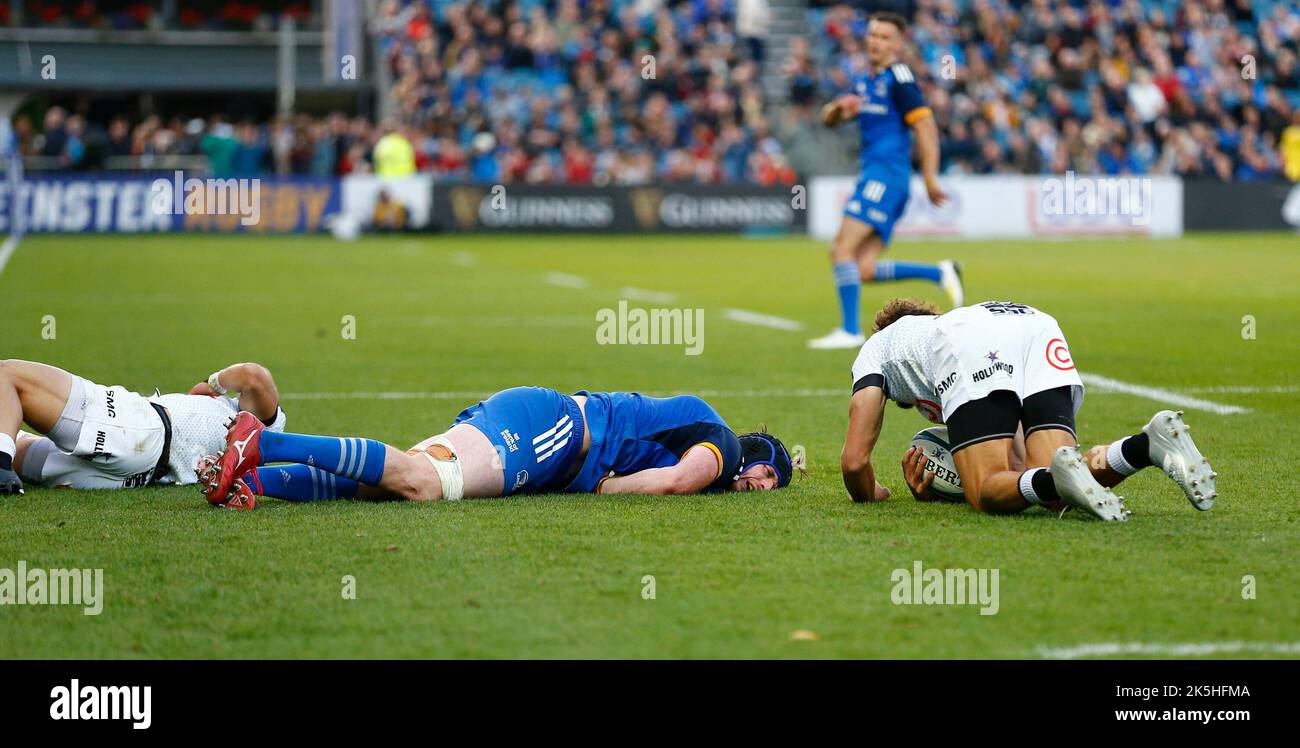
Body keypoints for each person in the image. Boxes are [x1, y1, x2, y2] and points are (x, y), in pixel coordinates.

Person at [839, 299, 1217, 521]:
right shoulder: (934, 342)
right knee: (1052, 489)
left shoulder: (878, 348)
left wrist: (874, 493)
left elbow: (855, 462)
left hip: (973, 342)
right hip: (1035, 323)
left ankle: (1131, 452)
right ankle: (1145, 446)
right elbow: (1021, 465)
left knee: (984, 492)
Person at [199, 387, 796, 509]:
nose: (761, 485)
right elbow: (679, 480)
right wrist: (609, 487)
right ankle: (265, 439)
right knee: (423, 484)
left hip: (546, 438)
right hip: (555, 428)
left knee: (388, 486)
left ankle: (253, 482)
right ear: (752, 452)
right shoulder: (718, 440)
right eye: (769, 473)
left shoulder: (708, 438)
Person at [808, 11, 964, 350]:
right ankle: (940, 273)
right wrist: (838, 108)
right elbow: (830, 118)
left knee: (840, 250)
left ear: (897, 43)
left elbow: (925, 126)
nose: (875, 41)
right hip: (879, 177)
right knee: (863, 268)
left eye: (883, 37)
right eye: (872, 34)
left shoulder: (900, 78)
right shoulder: (866, 80)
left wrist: (931, 177)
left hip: (886, 177)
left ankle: (850, 331)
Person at [0, 360, 285, 495]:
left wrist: (212, 384)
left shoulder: (264, 424)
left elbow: (254, 375)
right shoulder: (241, 447)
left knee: (8, 374)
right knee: (21, 448)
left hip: (140, 428)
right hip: (137, 473)